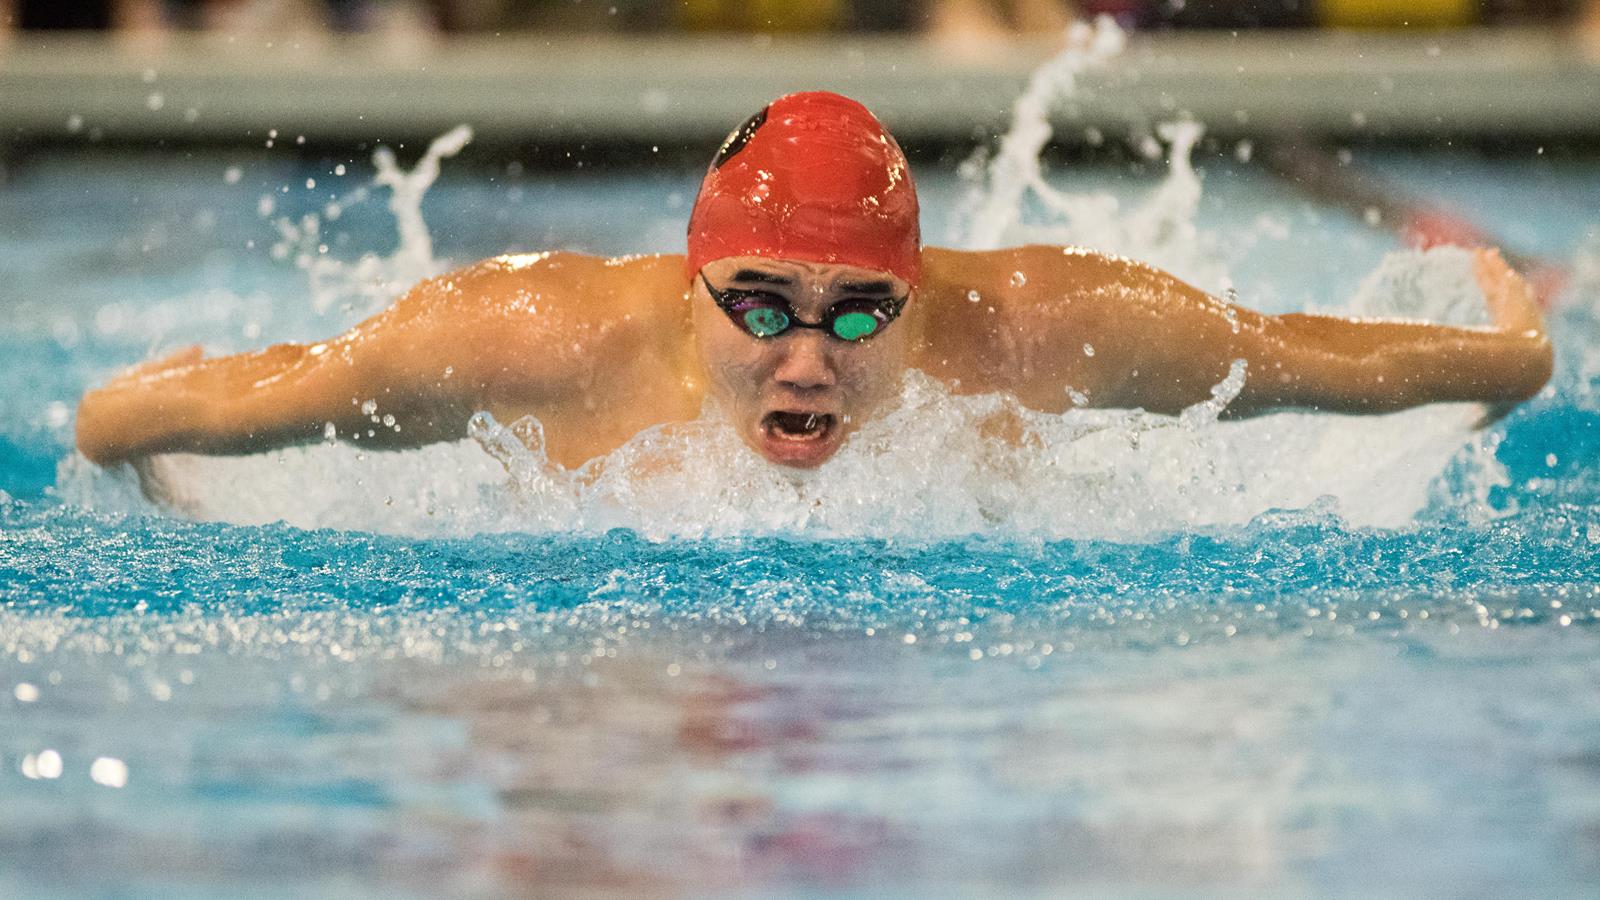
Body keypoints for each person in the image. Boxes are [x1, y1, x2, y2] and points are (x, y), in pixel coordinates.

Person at [75, 91, 1552, 475]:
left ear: (918, 297)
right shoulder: (531, 343)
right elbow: (274, 394)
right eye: (760, 307)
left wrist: (1511, 358)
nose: (807, 359)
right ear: (693, 281)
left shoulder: (1041, 330)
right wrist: (126, 424)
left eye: (858, 314)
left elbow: (1304, 356)